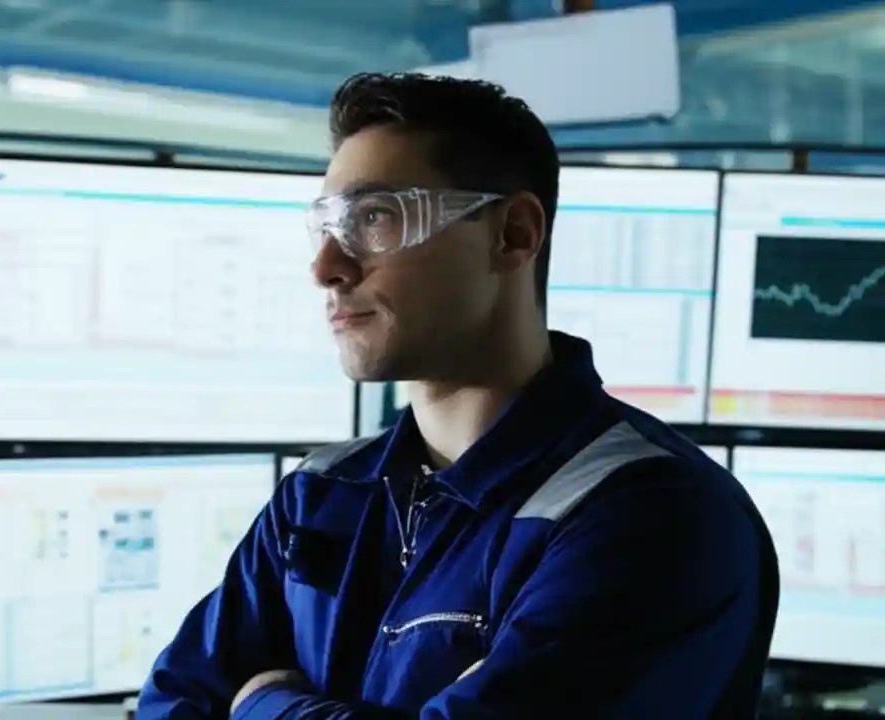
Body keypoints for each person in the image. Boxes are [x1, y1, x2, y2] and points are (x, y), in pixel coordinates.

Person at [136, 72, 779, 719]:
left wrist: (264, 705)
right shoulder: (321, 495)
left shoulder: (651, 516)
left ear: (513, 235)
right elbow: (173, 702)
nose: (326, 266)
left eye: (376, 217)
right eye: (327, 225)